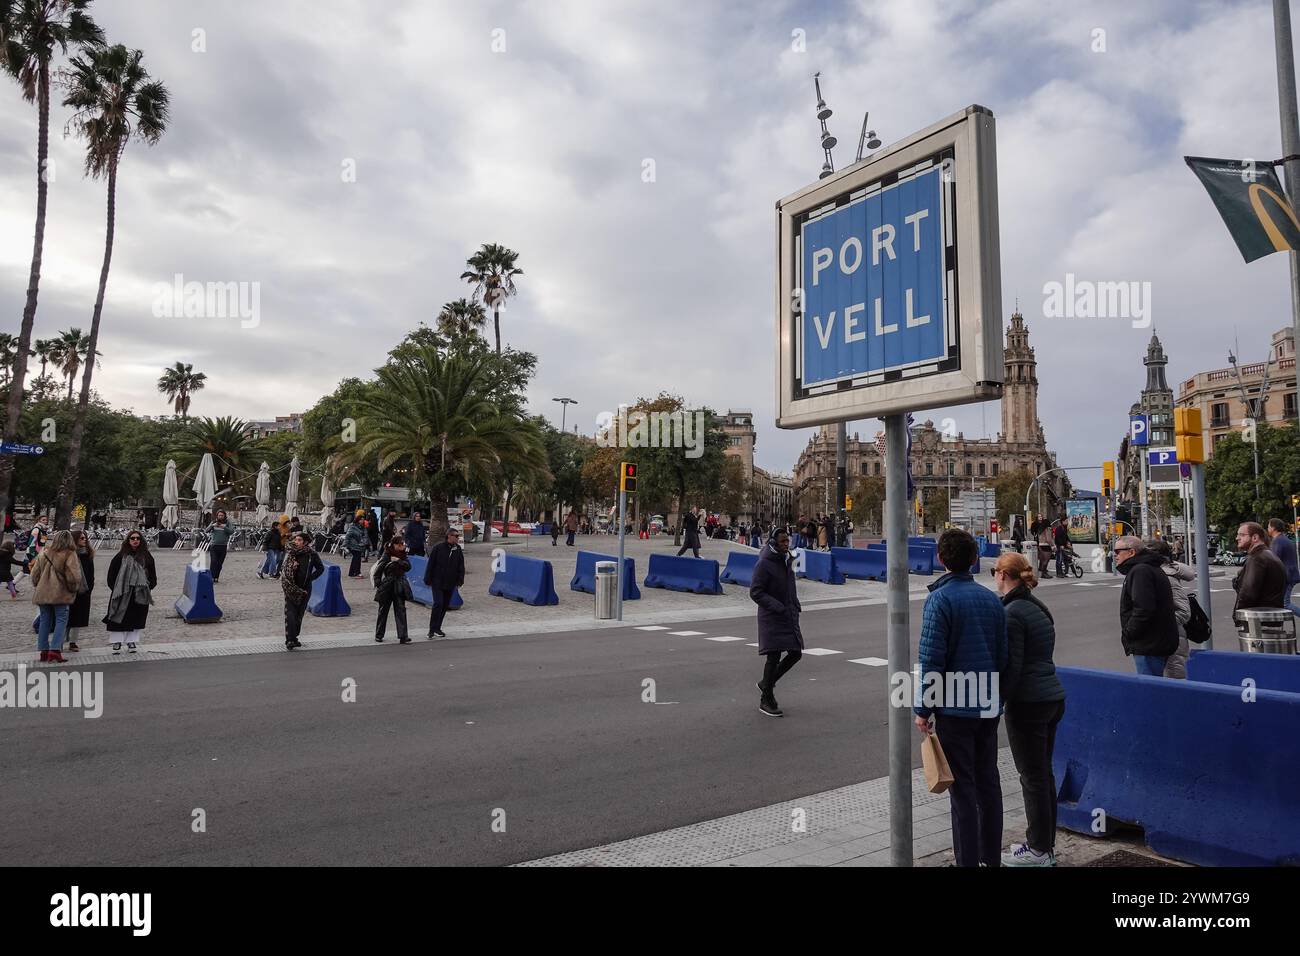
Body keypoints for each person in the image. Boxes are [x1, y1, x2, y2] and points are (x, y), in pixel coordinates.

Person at [913, 529, 1007, 868]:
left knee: (963, 790)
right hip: (987, 705)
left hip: (955, 709)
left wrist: (923, 708)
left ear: (941, 559)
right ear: (974, 558)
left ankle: (967, 861)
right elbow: (1002, 656)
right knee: (989, 783)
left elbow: (932, 659)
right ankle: (990, 859)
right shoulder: (991, 600)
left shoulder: (940, 600)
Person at [993, 552, 1066, 866]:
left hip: (1028, 703)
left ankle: (1038, 851)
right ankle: (1044, 846)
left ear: (1004, 574)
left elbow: (1013, 667)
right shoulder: (1037, 606)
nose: (993, 576)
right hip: (1051, 697)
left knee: (1032, 778)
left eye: (995, 571)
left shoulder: (1012, 613)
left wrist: (997, 702)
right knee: (1043, 775)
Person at [750, 527, 803, 717]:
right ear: (774, 542)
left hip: (788, 613)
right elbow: (755, 591)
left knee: (795, 653)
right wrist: (777, 606)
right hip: (772, 616)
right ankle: (766, 699)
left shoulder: (786, 559)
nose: (786, 544)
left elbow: (789, 585)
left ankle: (767, 683)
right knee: (773, 657)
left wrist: (794, 604)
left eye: (787, 541)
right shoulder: (765, 563)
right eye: (782, 541)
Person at [1113, 535, 1179, 676]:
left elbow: (1144, 609)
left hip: (1149, 644)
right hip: (1155, 641)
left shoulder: (1141, 571)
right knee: (1154, 687)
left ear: (1131, 552)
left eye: (1117, 552)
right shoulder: (1149, 568)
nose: (1114, 556)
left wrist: (1129, 632)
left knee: (1149, 691)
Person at [1145, 539, 1195, 679]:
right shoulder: (1155, 573)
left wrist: (1161, 624)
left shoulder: (1166, 577)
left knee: (1174, 679)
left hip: (1172, 637)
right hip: (1169, 636)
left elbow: (1184, 611)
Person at [32, 530, 82, 664]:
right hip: (60, 593)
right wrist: (73, 589)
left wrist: (39, 585)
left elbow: (34, 575)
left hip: (43, 593)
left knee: (44, 621)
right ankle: (55, 650)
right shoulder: (70, 554)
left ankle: (43, 650)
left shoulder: (44, 553)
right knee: (61, 620)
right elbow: (74, 577)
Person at [104, 530, 157, 654]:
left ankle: (131, 640)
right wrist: (117, 589)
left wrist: (148, 587)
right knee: (119, 615)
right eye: (132, 538)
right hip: (123, 593)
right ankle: (117, 641)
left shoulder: (146, 556)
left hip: (139, 593)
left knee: (136, 617)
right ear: (128, 540)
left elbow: (152, 574)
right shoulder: (120, 556)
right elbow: (111, 574)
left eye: (138, 538)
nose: (135, 540)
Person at [280, 531, 324, 650]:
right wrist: (292, 567)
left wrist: (311, 578)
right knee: (290, 614)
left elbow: (321, 568)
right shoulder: (290, 553)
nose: (296, 542)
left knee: (299, 614)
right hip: (291, 587)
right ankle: (289, 640)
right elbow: (283, 568)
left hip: (305, 588)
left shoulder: (311, 554)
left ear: (305, 542)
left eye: (299, 540)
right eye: (295, 539)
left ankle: (294, 637)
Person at [1232, 521, 1288, 612]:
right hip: (1269, 615)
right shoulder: (1267, 554)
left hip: (1257, 617)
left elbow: (1248, 593)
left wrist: (1239, 613)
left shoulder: (1257, 558)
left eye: (1242, 535)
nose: (1237, 538)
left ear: (1255, 537)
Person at [425, 526, 466, 639]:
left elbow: (461, 566)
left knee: (444, 605)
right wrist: (428, 579)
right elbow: (431, 564)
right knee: (438, 603)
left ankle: (438, 627)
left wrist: (460, 580)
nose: (457, 538)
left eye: (458, 536)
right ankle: (432, 629)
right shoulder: (438, 548)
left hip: (450, 582)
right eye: (456, 536)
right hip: (437, 581)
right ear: (449, 536)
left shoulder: (457, 549)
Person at [373, 535, 412, 644]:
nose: (402, 546)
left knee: (401, 610)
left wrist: (399, 560)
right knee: (383, 611)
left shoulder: (403, 555)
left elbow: (408, 567)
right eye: (400, 544)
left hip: (399, 585)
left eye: (403, 544)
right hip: (387, 585)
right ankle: (379, 634)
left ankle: (403, 636)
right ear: (394, 545)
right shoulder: (387, 554)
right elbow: (378, 570)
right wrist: (379, 584)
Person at [66, 529, 95, 653]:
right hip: (69, 590)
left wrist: (89, 587)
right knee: (66, 616)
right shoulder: (69, 554)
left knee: (78, 618)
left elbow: (91, 573)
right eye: (81, 538)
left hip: (84, 590)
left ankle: (73, 641)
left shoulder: (87, 554)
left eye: (85, 538)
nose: (84, 540)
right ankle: (61, 640)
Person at [1266, 518, 1300, 615]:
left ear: (1273, 528)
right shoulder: (1285, 539)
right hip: (1290, 575)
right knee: (1282, 603)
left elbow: (1274, 561)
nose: (1267, 528)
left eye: (1268, 526)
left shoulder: (1278, 541)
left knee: (1285, 604)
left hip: (1287, 576)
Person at [205, 510, 233, 583]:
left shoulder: (227, 523)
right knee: (214, 561)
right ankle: (211, 577)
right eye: (219, 515)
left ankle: (216, 577)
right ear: (217, 516)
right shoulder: (213, 522)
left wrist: (223, 527)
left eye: (222, 515)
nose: (220, 517)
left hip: (223, 546)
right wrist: (212, 525)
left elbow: (231, 531)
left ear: (224, 516)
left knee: (219, 563)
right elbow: (206, 530)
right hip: (214, 546)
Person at [345, 512, 368, 577]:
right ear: (358, 520)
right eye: (361, 519)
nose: (362, 521)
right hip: (353, 545)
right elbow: (348, 536)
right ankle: (357, 572)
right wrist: (345, 545)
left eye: (363, 519)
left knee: (356, 558)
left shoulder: (363, 527)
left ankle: (351, 573)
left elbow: (365, 536)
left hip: (359, 545)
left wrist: (365, 542)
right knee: (357, 558)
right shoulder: (353, 526)